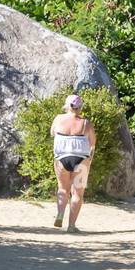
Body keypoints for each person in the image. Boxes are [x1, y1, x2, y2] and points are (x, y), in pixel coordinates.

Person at [51, 93, 95, 232]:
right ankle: (71, 226)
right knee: (77, 194)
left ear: (67, 106)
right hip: (81, 160)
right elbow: (92, 143)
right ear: (80, 107)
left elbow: (52, 133)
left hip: (61, 159)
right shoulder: (85, 123)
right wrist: (89, 159)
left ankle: (60, 214)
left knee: (63, 189)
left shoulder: (58, 119)